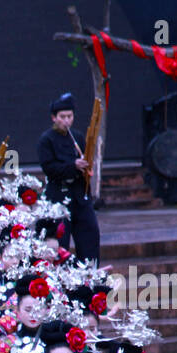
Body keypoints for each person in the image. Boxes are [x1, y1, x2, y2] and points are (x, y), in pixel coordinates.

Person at [38, 93, 100, 263]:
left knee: (90, 234)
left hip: (79, 195)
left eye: (69, 116)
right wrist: (73, 166)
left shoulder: (78, 137)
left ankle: (90, 277)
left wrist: (86, 167)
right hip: (58, 197)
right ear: (54, 118)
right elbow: (49, 168)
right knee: (60, 239)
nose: (66, 121)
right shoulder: (46, 140)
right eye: (62, 117)